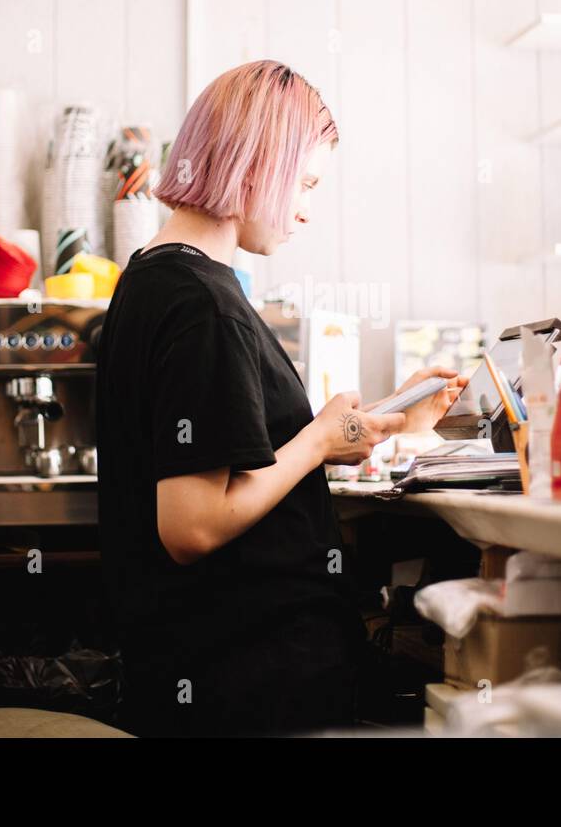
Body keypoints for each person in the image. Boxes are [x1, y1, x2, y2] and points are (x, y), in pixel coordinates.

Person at [95, 60, 465, 736]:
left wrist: (367, 427)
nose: (304, 209)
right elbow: (193, 525)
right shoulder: (202, 305)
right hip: (244, 680)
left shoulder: (154, 280)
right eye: (306, 182)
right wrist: (320, 439)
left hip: (206, 667)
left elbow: (241, 456)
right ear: (256, 163)